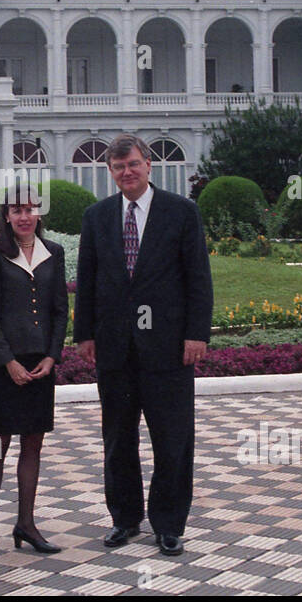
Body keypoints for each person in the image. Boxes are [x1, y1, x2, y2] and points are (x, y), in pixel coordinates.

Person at [74, 134, 213, 557]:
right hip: (115, 349)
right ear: (110, 172)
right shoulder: (96, 217)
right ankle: (125, 519)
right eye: (118, 167)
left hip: (169, 348)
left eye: (132, 164)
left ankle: (169, 524)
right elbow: (88, 280)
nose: (126, 172)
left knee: (172, 439)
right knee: (118, 438)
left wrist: (196, 334)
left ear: (148, 164)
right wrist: (85, 334)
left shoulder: (181, 213)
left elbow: (198, 279)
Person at [0, 184, 70, 558]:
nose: (25, 216)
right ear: (6, 216)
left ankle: (27, 524)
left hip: (40, 368)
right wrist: (8, 361)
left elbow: (60, 310)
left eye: (31, 209)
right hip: (5, 369)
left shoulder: (54, 253)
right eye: (17, 210)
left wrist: (52, 356)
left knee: (33, 445)